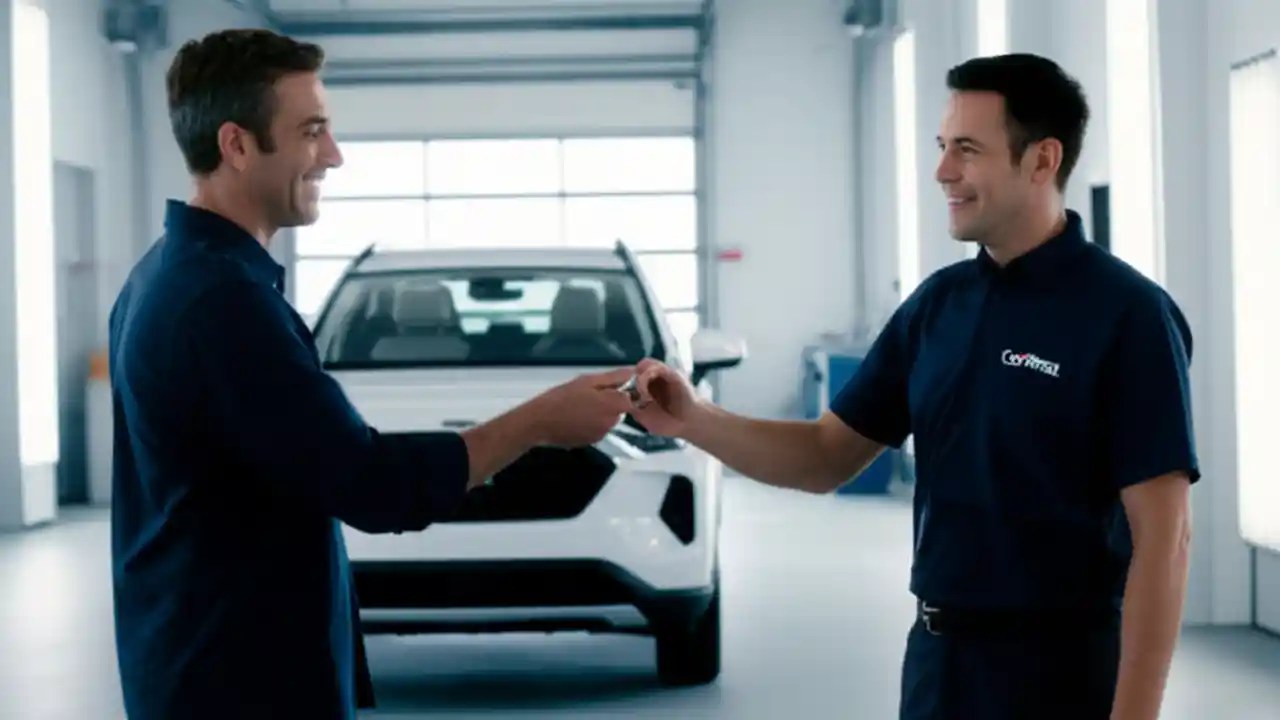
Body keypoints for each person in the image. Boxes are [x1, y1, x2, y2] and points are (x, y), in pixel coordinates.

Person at [629, 53, 1197, 720]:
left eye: (966, 149)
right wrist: (695, 420)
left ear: (1042, 160)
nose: (942, 172)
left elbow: (1166, 539)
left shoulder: (1127, 315)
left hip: (1063, 672)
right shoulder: (938, 307)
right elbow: (823, 456)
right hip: (938, 665)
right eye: (941, 147)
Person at [108, 29, 634, 720]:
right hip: (240, 683)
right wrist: (540, 420)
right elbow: (373, 484)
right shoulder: (221, 303)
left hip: (195, 660)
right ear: (236, 145)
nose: (334, 155)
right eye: (312, 131)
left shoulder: (161, 276)